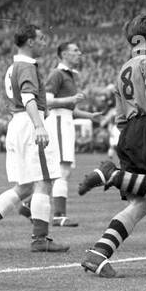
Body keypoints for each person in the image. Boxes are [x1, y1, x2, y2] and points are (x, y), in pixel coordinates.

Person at [74, 13, 146, 277]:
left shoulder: (122, 69)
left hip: (128, 133)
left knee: (140, 205)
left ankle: (98, 254)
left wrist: (134, 135)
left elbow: (119, 117)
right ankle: (112, 175)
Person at [0, 24, 69, 254]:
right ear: (30, 42)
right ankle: (40, 239)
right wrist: (39, 125)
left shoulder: (13, 67)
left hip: (18, 124)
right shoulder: (27, 66)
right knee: (44, 181)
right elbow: (27, 97)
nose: (45, 42)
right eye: (42, 38)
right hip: (29, 124)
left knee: (24, 187)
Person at [45, 40, 101, 226]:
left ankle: (29, 206)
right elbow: (47, 100)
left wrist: (89, 115)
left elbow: (69, 108)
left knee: (61, 170)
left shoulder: (69, 75)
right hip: (59, 121)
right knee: (63, 169)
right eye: (75, 50)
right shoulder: (57, 74)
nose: (79, 53)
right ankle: (59, 215)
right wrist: (71, 98)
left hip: (65, 120)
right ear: (64, 54)